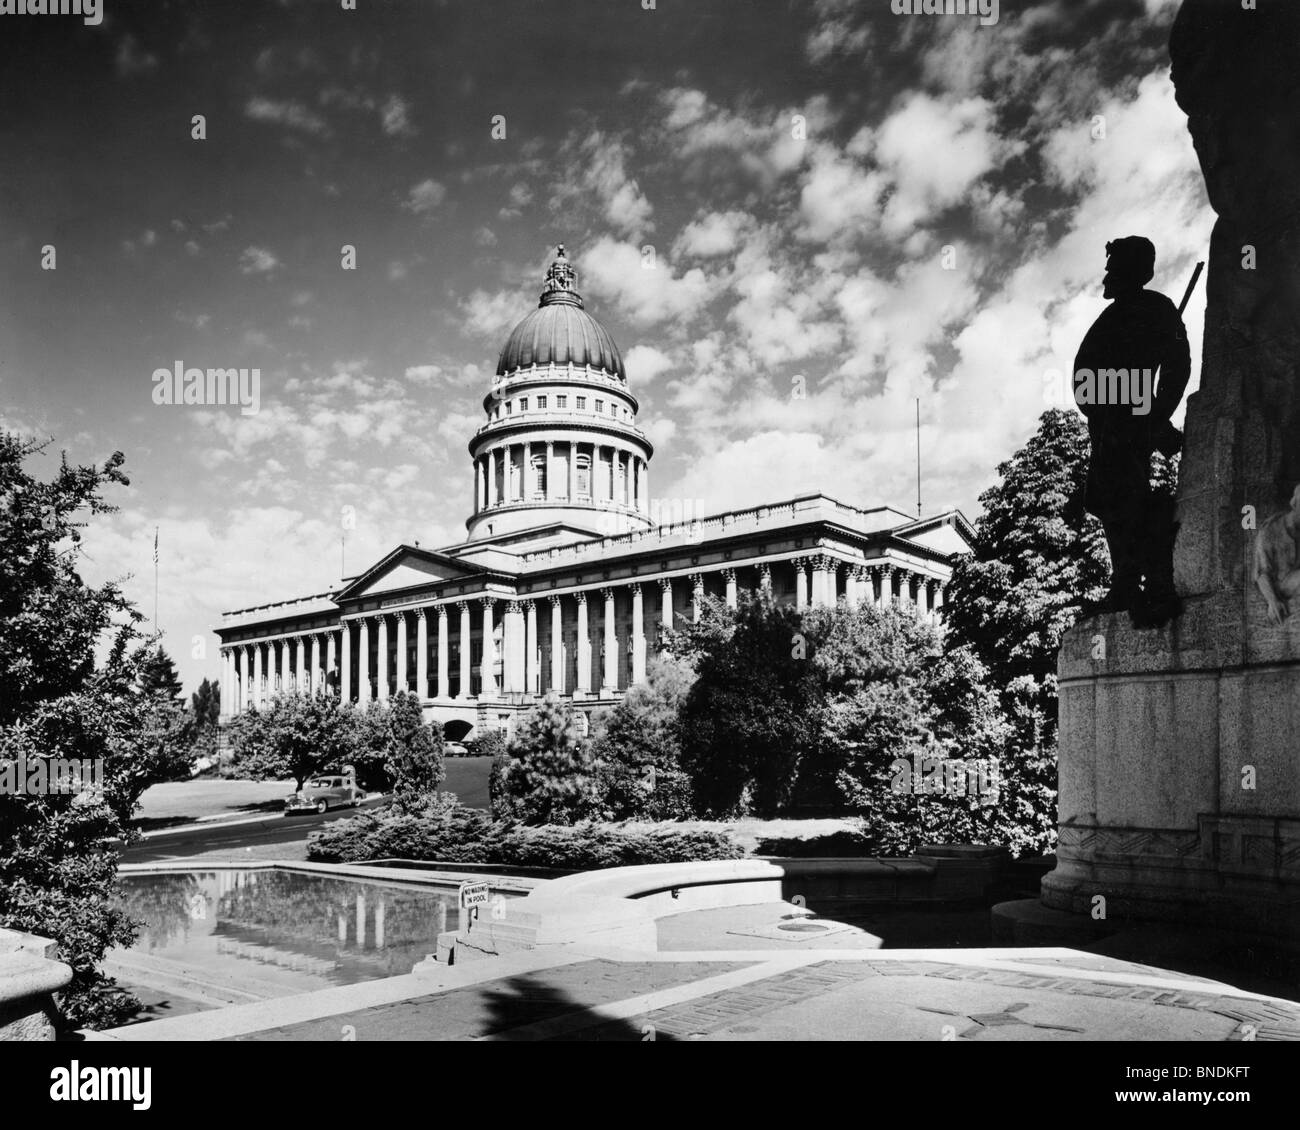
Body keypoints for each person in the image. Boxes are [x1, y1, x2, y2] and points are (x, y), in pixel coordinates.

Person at [1072, 236, 1191, 625]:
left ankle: (1147, 583)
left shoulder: (1157, 309)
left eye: (1114, 266)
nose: (1107, 274)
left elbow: (1177, 368)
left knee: (1128, 498)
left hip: (1130, 424)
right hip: (1109, 425)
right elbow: (1083, 377)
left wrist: (1155, 415)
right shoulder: (1113, 318)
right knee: (1105, 498)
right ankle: (1126, 579)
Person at [1254, 484, 1300, 626]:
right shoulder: (1271, 531)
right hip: (1278, 587)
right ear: (1295, 503)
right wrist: (1272, 601)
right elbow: (1262, 573)